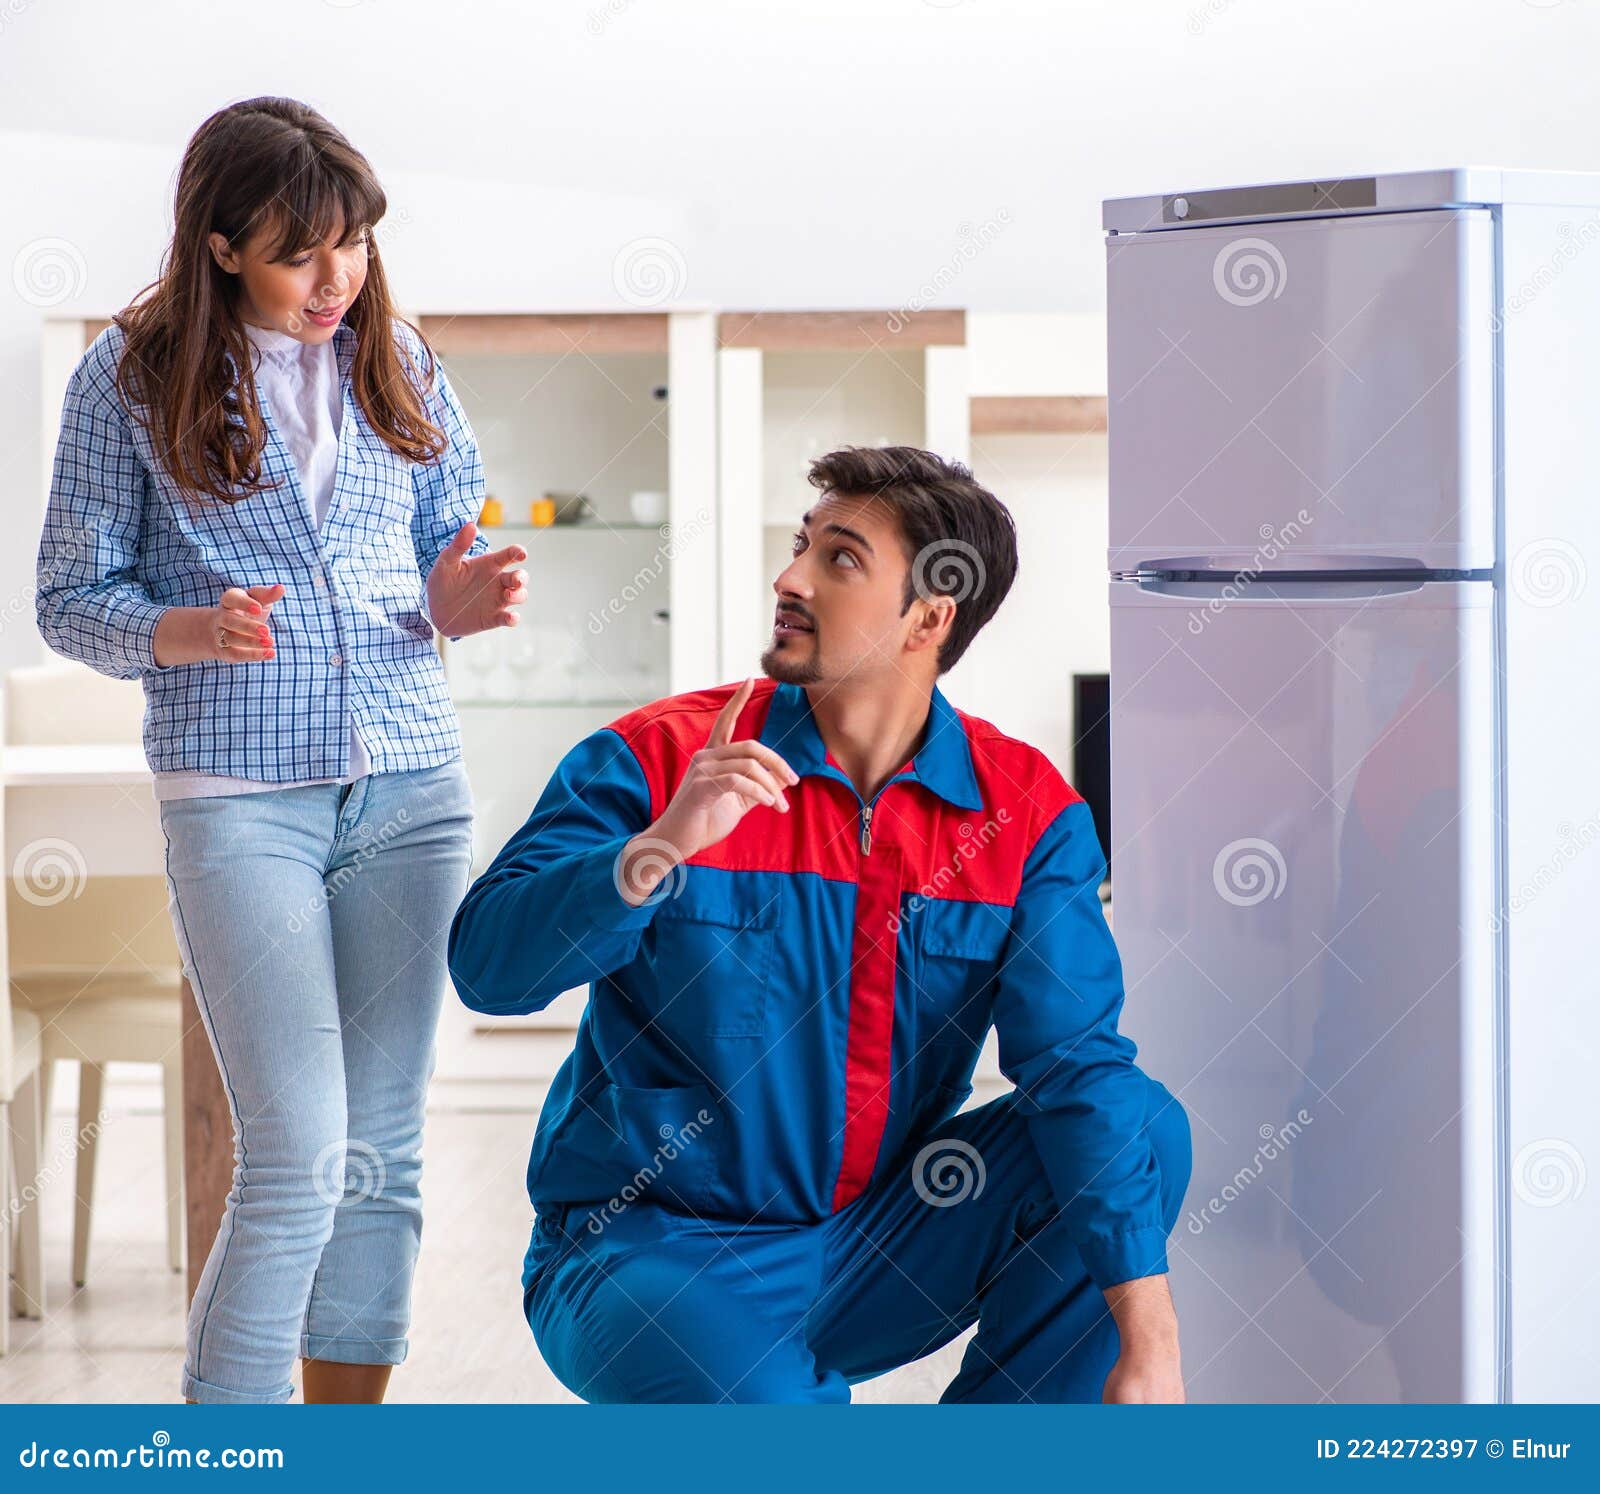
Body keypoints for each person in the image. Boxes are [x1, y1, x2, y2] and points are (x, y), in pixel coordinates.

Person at [448, 444, 1191, 1403]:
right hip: (649, 1251)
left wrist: (1153, 1339)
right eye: (802, 545)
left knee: (1145, 1131)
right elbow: (488, 969)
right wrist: (661, 847)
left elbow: (1077, 1068)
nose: (789, 576)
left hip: (877, 1244)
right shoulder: (658, 756)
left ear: (929, 615)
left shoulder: (1026, 814)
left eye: (838, 558)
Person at [35, 97, 527, 1405]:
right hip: (238, 796)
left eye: (355, 244)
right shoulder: (129, 375)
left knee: (381, 1149)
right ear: (219, 247)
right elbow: (67, 597)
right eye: (301, 251)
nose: (336, 278)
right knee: (301, 1144)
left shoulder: (400, 358)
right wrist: (191, 627)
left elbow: (441, 538)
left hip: (412, 785)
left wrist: (456, 598)